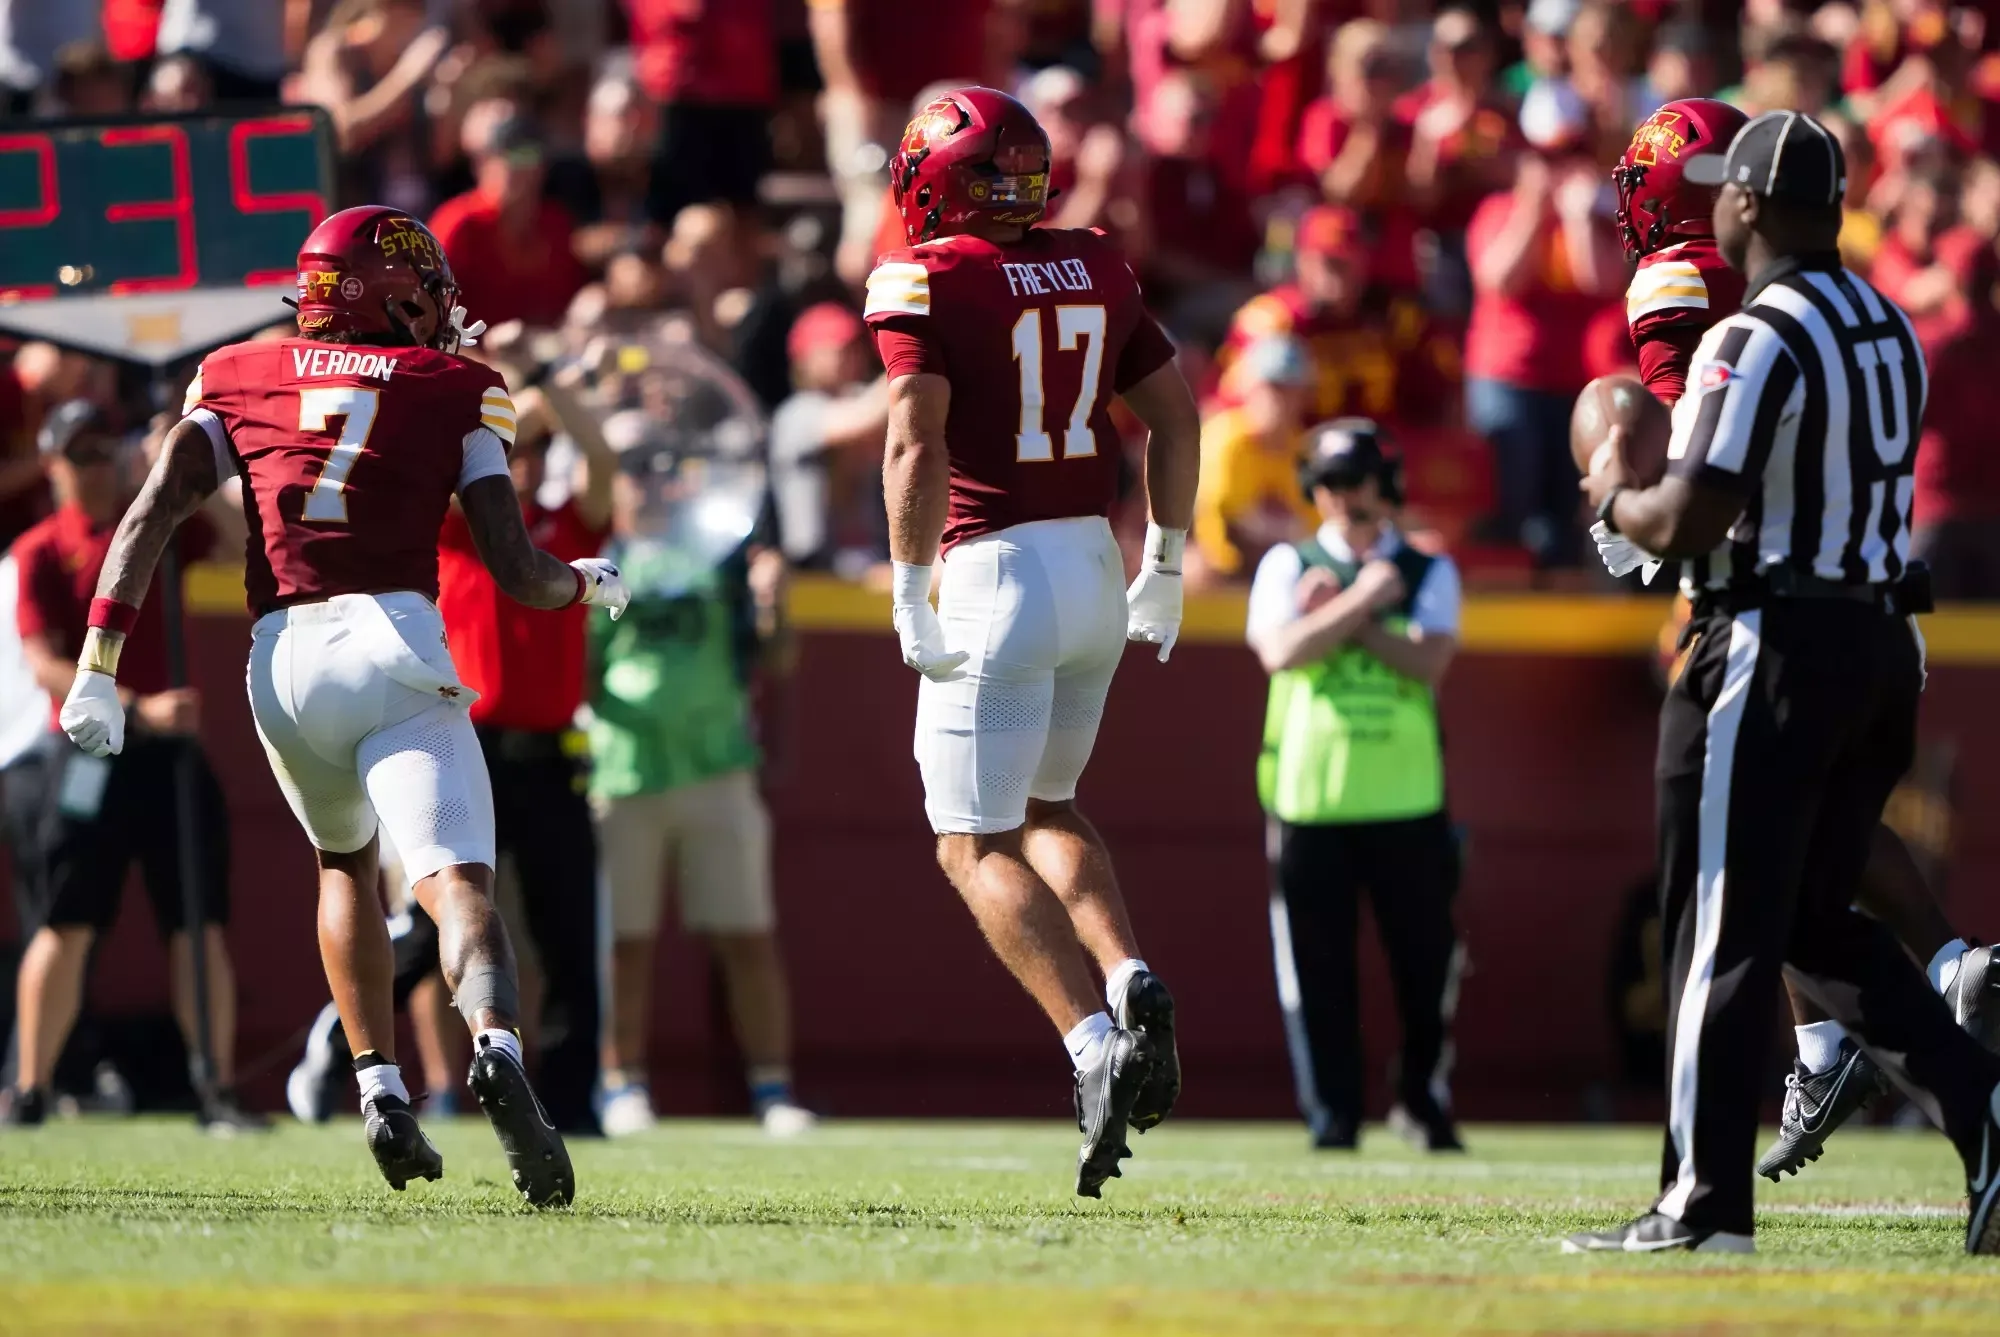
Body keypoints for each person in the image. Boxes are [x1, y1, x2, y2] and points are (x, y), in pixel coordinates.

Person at [53, 206, 629, 1205]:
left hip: (278, 660)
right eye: (422, 294)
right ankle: (494, 1043)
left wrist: (96, 667)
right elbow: (519, 571)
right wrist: (585, 581)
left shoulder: (236, 373)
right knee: (457, 882)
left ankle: (376, 1082)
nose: (441, 314)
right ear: (382, 295)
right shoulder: (459, 388)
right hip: (392, 640)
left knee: (342, 863)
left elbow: (151, 511)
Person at [1570, 111, 2000, 1256]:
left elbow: (1695, 509)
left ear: (1746, 204)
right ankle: (1983, 1100)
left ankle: (1701, 1203)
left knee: (1718, 924)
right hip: (1877, 647)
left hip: (1765, 640)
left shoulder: (1752, 336)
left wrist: (1613, 500)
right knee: (1812, 916)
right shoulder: (1886, 326)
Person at [863, 87, 1200, 1197]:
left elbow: (914, 442)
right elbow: (1176, 413)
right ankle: (1128, 966)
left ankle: (1092, 1042)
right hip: (1093, 569)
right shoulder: (1096, 261)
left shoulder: (925, 275)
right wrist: (1162, 560)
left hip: (990, 570)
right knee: (1048, 806)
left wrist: (910, 589)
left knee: (969, 841)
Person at [1, 401, 259, 1131]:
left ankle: (217, 1087)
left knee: (198, 923)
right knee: (68, 920)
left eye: (101, 452)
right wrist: (137, 706)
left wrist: (188, 475)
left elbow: (244, 545)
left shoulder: (152, 523)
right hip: (88, 752)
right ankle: (29, 1087)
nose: (94, 468)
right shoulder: (40, 548)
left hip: (167, 757)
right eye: (77, 455)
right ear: (51, 465)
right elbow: (46, 663)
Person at [1246, 420, 1465, 1153]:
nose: (1346, 497)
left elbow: (1429, 661)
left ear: (1386, 484)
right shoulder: (1287, 563)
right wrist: (1363, 603)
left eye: (1359, 480)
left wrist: (1342, 614)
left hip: (1407, 801)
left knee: (1424, 969)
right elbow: (1279, 649)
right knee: (1318, 974)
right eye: (1332, 483)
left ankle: (1419, 1101)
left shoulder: (1429, 569)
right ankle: (1333, 1114)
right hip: (1311, 800)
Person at [590, 444, 812, 1139]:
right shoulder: (596, 553)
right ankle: (622, 1082)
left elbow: (776, 659)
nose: (651, 483)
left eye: (659, 470)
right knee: (624, 943)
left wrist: (776, 607)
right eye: (635, 471)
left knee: (747, 935)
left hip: (718, 765)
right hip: (624, 770)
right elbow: (583, 666)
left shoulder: (721, 555)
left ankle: (773, 1088)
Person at [432, 363, 617, 1137]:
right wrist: (510, 416)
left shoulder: (569, 526)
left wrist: (549, 399)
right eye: (517, 448)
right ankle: (393, 1068)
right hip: (468, 747)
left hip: (549, 754)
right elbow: (448, 474)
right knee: (433, 926)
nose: (528, 461)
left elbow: (604, 462)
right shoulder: (459, 525)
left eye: (537, 448)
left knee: (567, 932)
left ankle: (570, 1102)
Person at [1463, 79, 1624, 564]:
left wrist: (1577, 218)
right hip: (1509, 381)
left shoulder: (1598, 221)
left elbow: (1604, 282)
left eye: (1568, 155)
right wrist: (1534, 210)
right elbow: (1501, 279)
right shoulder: (1498, 211)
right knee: (1514, 505)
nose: (1556, 168)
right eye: (1544, 156)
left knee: (1562, 516)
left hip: (1574, 383)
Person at [429, 117, 588, 329]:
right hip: (464, 354)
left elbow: (563, 305)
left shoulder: (555, 222)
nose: (519, 168)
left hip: (543, 351)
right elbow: (428, 315)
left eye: (529, 156)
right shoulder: (458, 224)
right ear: (482, 163)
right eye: (508, 155)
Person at [1191, 335, 1314, 582]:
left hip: (1289, 572)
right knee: (1196, 570)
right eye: (1273, 387)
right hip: (1224, 571)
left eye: (1291, 389)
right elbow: (1232, 527)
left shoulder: (1303, 449)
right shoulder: (1226, 438)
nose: (1281, 399)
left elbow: (1314, 528)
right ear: (1250, 388)